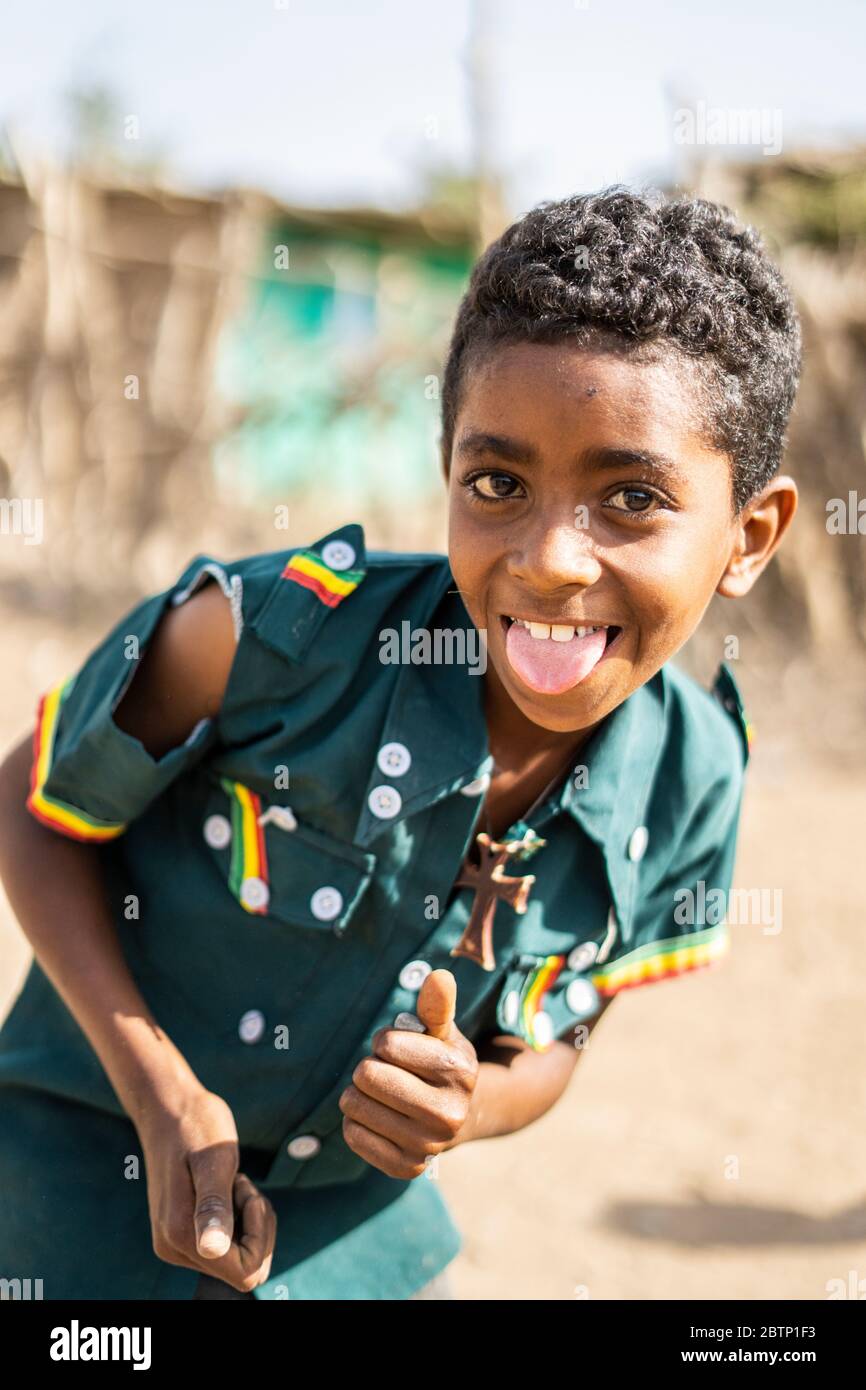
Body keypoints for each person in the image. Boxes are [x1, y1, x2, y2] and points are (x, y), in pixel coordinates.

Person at [0, 185, 799, 1300]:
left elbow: (562, 1034)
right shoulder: (258, 637)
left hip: (338, 1241)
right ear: (445, 468)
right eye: (497, 482)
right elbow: (33, 810)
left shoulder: (694, 777)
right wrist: (158, 1092)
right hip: (69, 1173)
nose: (550, 559)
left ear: (747, 535)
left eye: (628, 496)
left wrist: (473, 1100)